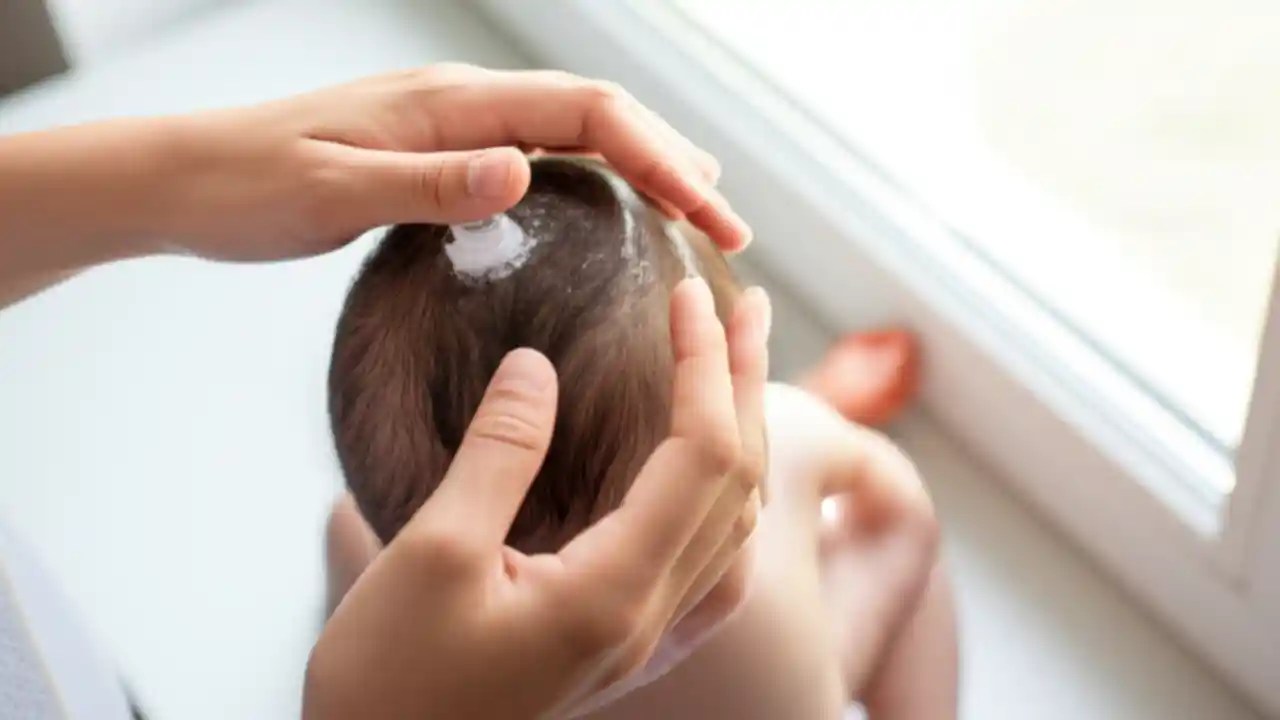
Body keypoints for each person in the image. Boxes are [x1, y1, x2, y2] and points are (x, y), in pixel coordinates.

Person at [323, 157, 957, 718]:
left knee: (347, 525)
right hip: (769, 700)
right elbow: (898, 513)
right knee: (914, 575)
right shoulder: (787, 439)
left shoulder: (374, 575)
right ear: (739, 362)